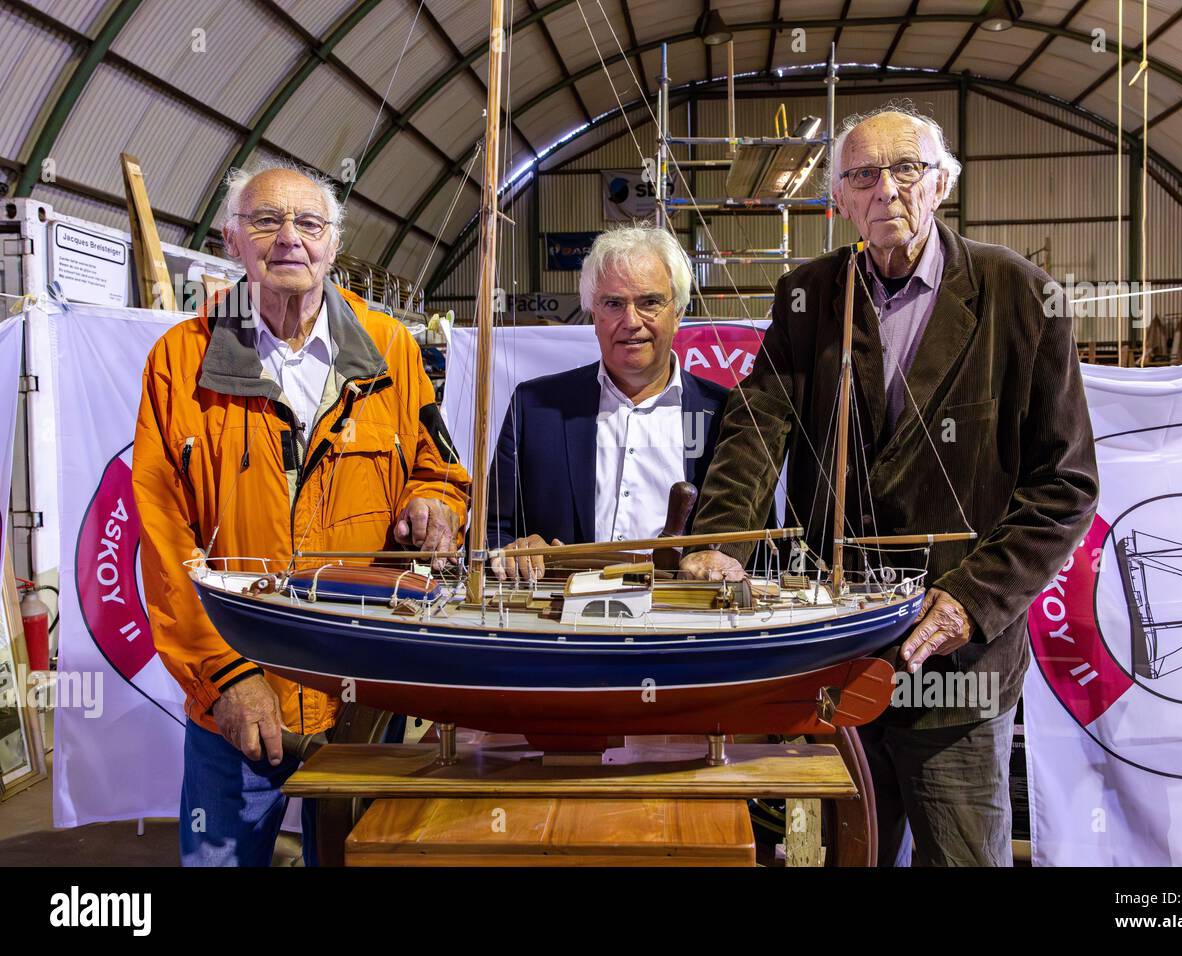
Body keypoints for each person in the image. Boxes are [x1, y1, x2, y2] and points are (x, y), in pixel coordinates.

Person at [679, 106, 1099, 866]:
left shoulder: (1020, 295)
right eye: (864, 175)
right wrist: (719, 541)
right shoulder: (808, 295)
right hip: (832, 658)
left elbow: (1064, 483)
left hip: (957, 674)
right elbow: (756, 423)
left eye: (906, 169)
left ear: (941, 183)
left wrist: (973, 600)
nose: (887, 190)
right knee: (830, 855)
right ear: (839, 199)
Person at [133, 160, 471, 866]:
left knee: (363, 860)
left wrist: (434, 505)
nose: (289, 238)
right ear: (232, 241)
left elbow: (440, 471)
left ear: (332, 244)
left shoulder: (391, 350)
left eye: (309, 223)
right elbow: (165, 539)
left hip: (366, 694)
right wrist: (227, 677)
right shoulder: (181, 360)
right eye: (265, 220)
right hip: (237, 703)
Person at [487, 225, 729, 579]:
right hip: (561, 623)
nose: (631, 322)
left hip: (682, 622)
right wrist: (514, 552)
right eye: (613, 304)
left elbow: (749, 543)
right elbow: (491, 533)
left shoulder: (723, 415)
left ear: (677, 313)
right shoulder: (535, 408)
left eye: (649, 302)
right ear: (593, 314)